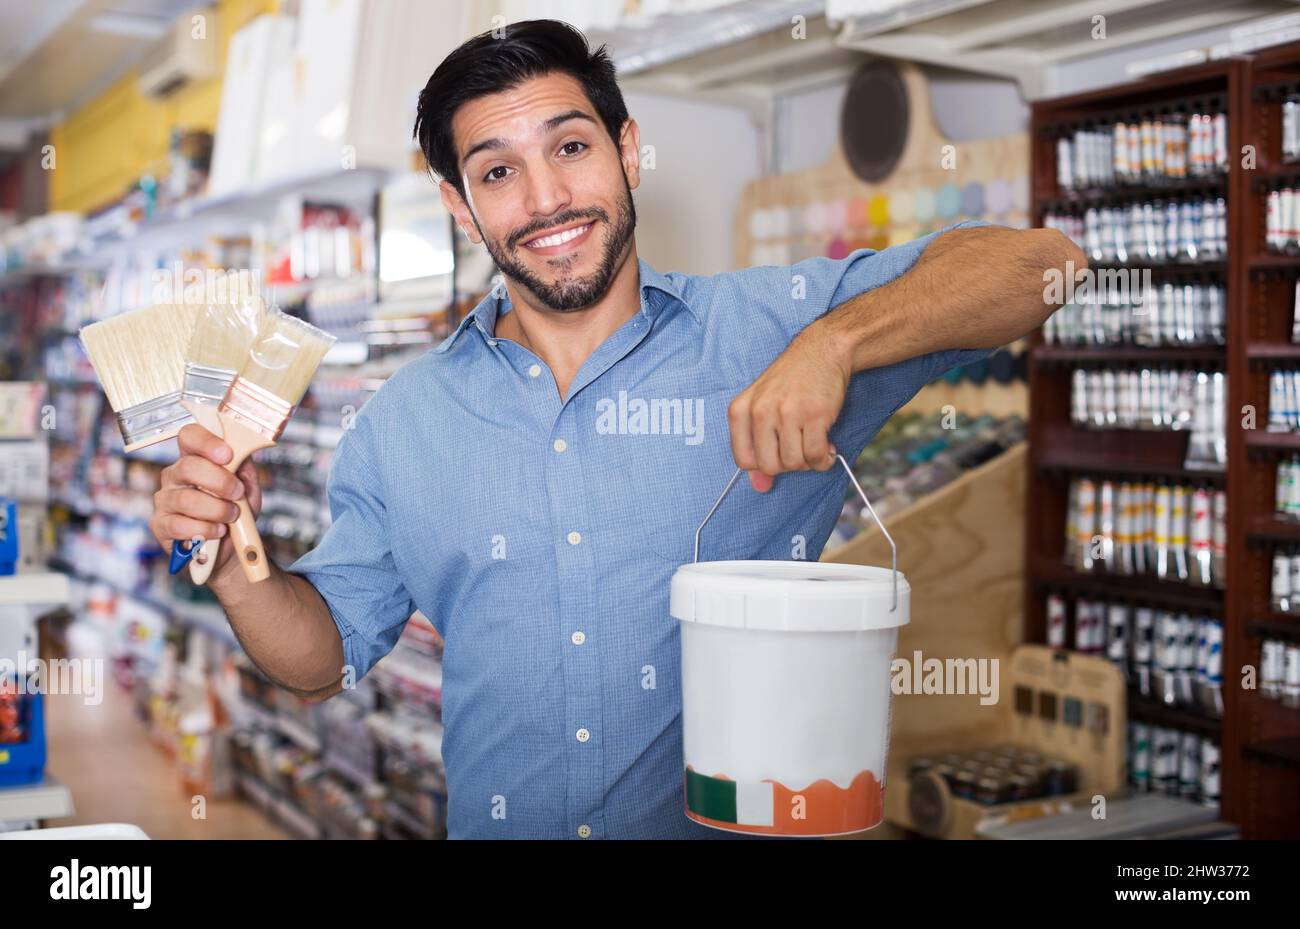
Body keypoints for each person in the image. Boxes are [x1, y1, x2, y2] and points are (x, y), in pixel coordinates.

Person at [149, 19, 1083, 839]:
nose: (547, 200)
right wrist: (234, 564)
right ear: (458, 204)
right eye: (499, 171)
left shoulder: (764, 329)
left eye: (571, 147)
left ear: (628, 150)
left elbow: (1044, 265)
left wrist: (837, 342)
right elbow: (321, 660)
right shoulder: (402, 424)